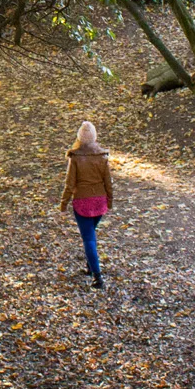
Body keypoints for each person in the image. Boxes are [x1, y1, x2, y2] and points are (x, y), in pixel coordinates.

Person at [59, 120, 112, 288]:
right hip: (99, 202)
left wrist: (64, 202)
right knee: (91, 234)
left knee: (88, 238)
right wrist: (110, 200)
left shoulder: (75, 158)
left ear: (79, 138)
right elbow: (108, 182)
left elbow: (69, 182)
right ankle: (90, 265)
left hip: (82, 202)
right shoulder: (102, 157)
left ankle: (97, 277)